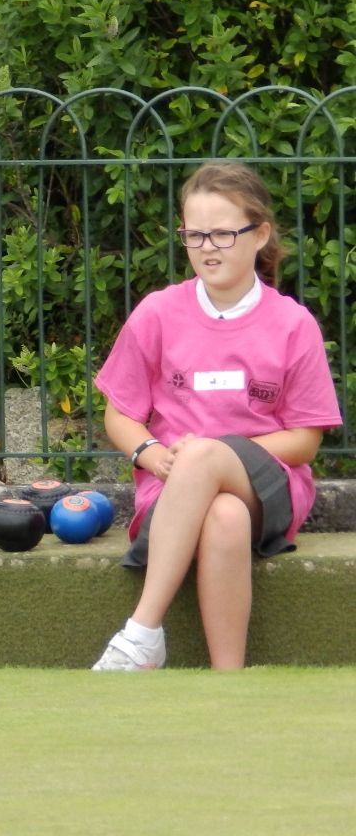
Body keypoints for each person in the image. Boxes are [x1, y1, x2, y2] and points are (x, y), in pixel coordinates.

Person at [92, 161, 342, 671]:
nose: (208, 247)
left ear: (260, 234)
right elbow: (120, 416)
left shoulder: (293, 324)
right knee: (222, 516)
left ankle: (142, 633)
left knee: (208, 456)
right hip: (171, 490)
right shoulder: (158, 313)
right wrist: (151, 453)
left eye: (225, 233)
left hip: (268, 488)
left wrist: (216, 455)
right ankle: (229, 684)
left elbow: (304, 442)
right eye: (195, 234)